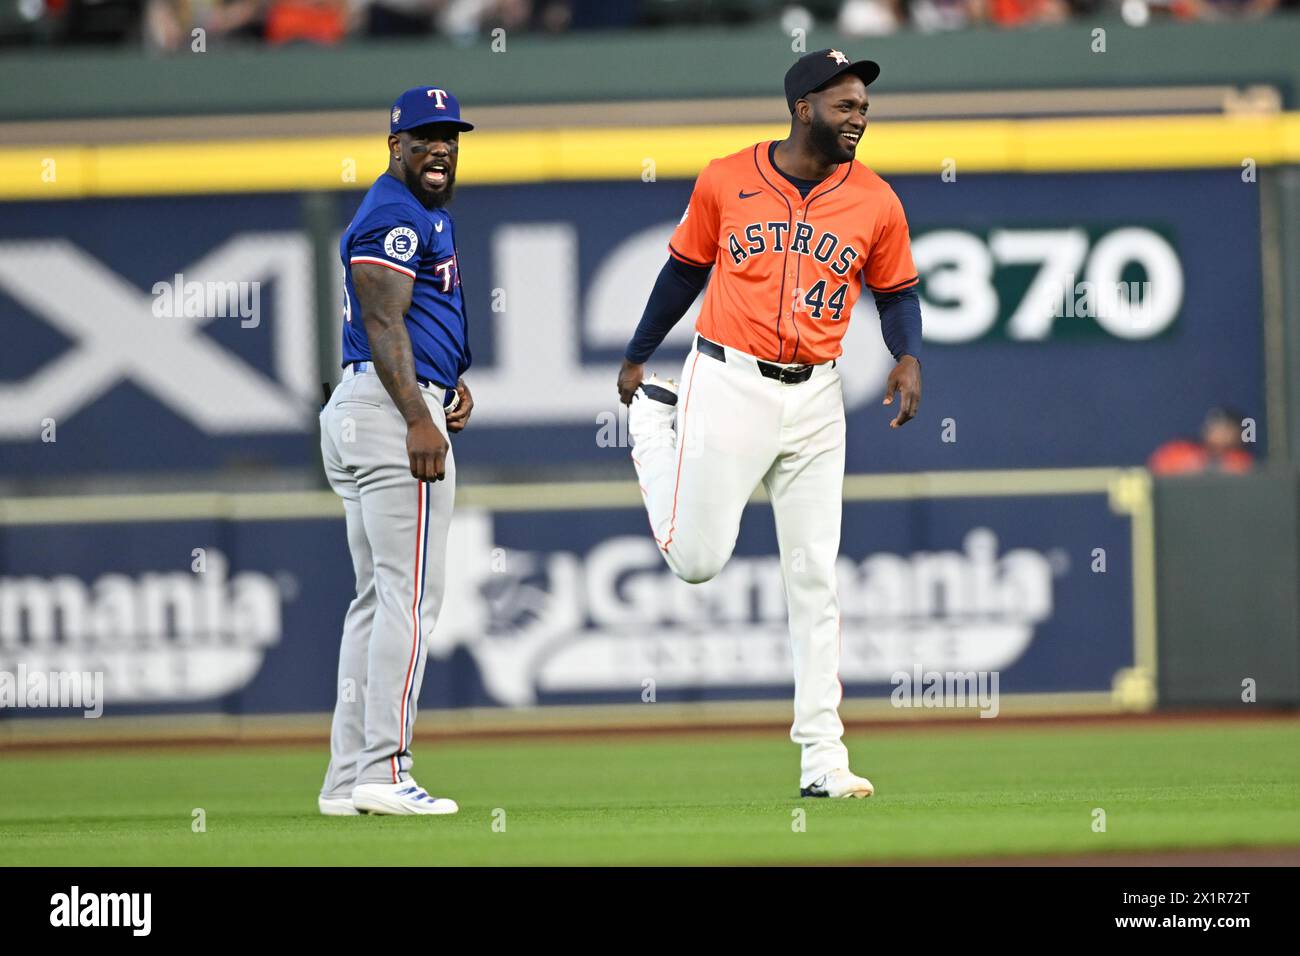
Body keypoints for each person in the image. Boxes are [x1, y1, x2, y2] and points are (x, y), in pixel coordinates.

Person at [617, 49, 924, 799]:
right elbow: (685, 269)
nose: (860, 118)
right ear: (803, 107)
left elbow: (896, 292)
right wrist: (638, 355)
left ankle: (823, 757)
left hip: (818, 393)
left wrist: (908, 356)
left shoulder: (876, 199)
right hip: (728, 379)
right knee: (696, 561)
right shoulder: (727, 176)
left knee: (815, 576)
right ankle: (653, 429)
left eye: (864, 108)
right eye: (846, 106)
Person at [317, 86, 475, 816]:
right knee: (408, 602)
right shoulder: (396, 212)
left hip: (368, 406)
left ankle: (349, 780)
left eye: (449, 136)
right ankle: (384, 769)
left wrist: (446, 384)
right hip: (388, 414)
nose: (439, 147)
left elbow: (405, 326)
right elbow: (383, 321)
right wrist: (420, 413)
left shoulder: (413, 211)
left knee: (375, 603)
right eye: (424, 136)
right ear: (395, 146)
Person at [1148, 407, 1254, 476]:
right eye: (1214, 425)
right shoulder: (1179, 451)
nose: (1218, 432)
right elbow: (1157, 470)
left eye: (1226, 428)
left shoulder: (1243, 459)